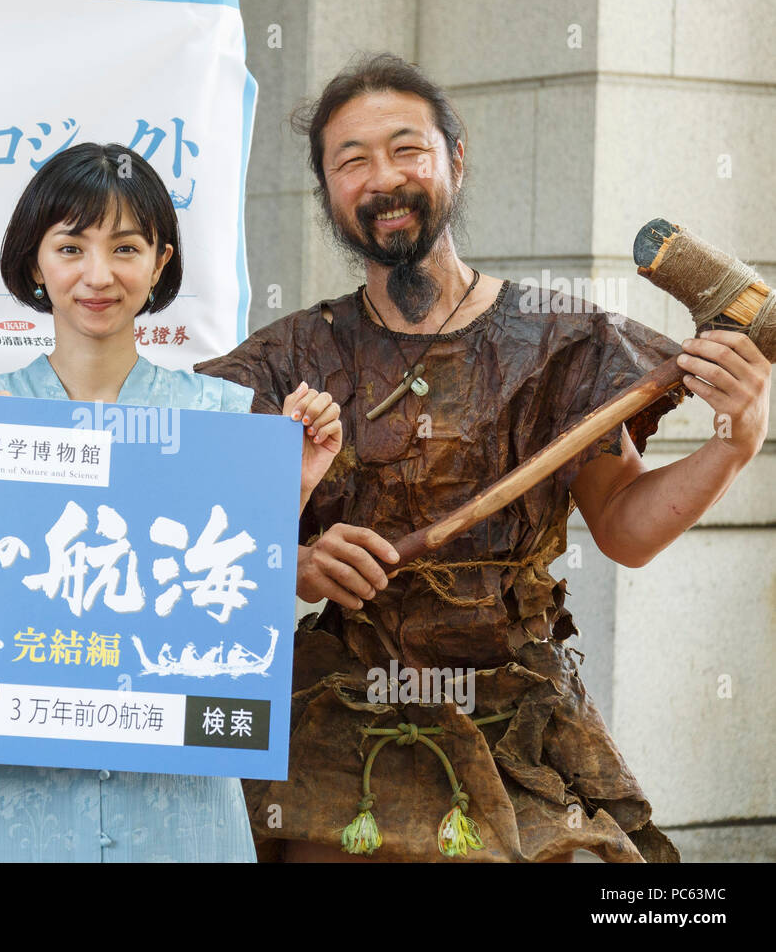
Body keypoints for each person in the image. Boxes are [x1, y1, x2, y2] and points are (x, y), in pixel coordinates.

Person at [196, 53, 771, 863]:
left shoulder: (563, 342)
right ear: (327, 192)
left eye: (407, 149)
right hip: (345, 699)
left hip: (516, 709)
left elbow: (627, 532)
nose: (383, 178)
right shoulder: (291, 353)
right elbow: (178, 513)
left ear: (454, 160)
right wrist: (290, 562)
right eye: (351, 161)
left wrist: (736, 441)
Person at [0, 141, 340, 861]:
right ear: (33, 262)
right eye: (71, 246)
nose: (98, 275)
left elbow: (243, 632)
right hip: (20, 813)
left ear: (160, 263)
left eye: (126, 247)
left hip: (183, 816)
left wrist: (290, 489)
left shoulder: (223, 421)